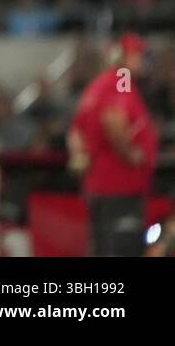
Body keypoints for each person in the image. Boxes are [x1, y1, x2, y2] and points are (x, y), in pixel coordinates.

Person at [69, 33, 158, 256]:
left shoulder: (97, 86)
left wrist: (83, 161)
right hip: (121, 188)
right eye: (137, 55)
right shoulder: (122, 80)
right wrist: (132, 154)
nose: (142, 60)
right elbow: (113, 119)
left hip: (99, 188)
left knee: (101, 250)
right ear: (124, 57)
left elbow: (75, 132)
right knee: (121, 251)